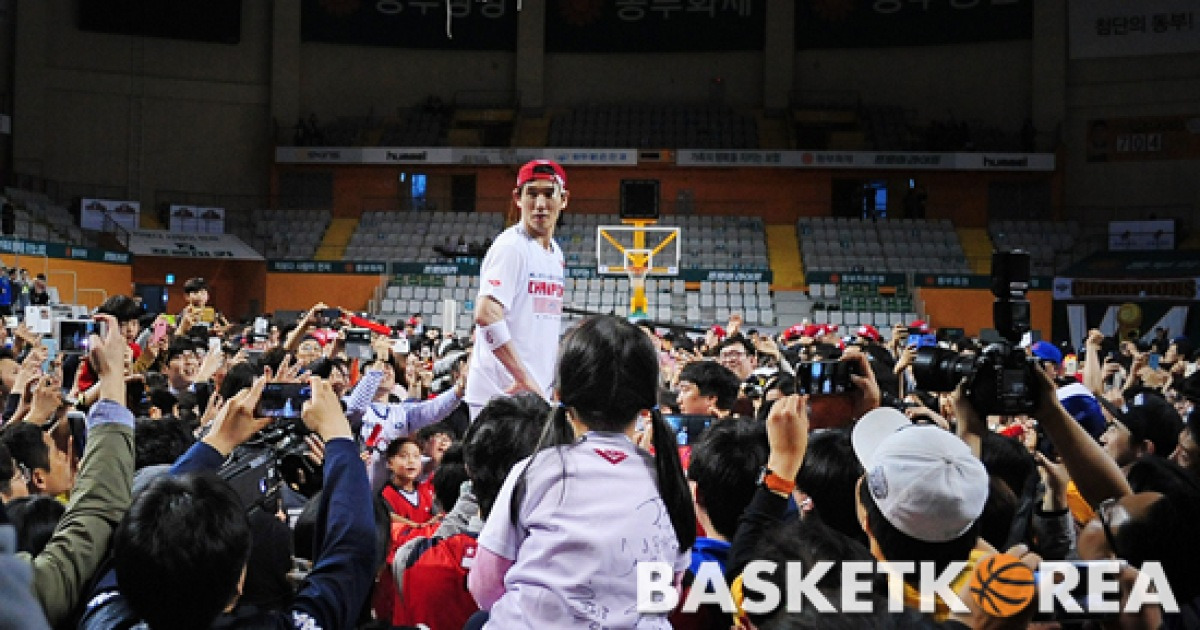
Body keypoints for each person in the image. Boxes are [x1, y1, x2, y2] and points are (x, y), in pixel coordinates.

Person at [81, 376, 377, 630]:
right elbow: (350, 552)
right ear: (239, 584)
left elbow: (144, 524)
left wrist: (217, 441)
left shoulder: (104, 615)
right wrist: (339, 435)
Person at [467, 316, 694, 628]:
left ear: (559, 395)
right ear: (647, 404)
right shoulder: (669, 480)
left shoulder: (533, 472)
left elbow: (485, 586)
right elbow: (668, 594)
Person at [465, 159, 567, 417]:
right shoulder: (511, 247)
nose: (540, 203)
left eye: (549, 194)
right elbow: (486, 313)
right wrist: (522, 377)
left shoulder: (555, 254)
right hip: (501, 394)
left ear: (564, 199)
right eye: (532, 193)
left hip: (531, 392)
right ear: (517, 198)